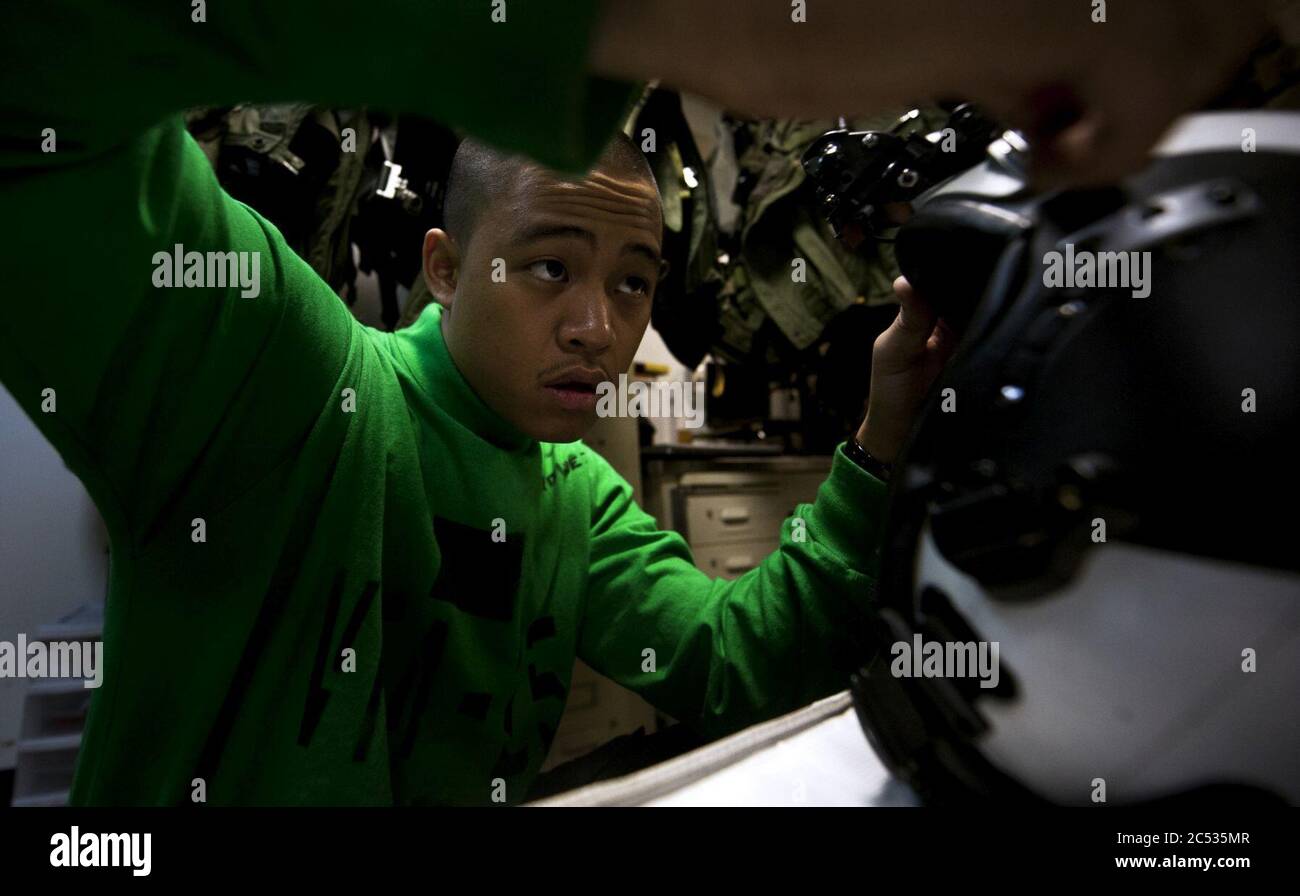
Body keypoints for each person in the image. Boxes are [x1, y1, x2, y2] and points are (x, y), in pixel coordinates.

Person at [0, 1, 1274, 805]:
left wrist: (883, 428)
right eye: (550, 267)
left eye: (632, 281)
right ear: (442, 269)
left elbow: (735, 664)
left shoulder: (574, 493)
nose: (601, 328)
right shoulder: (279, 381)